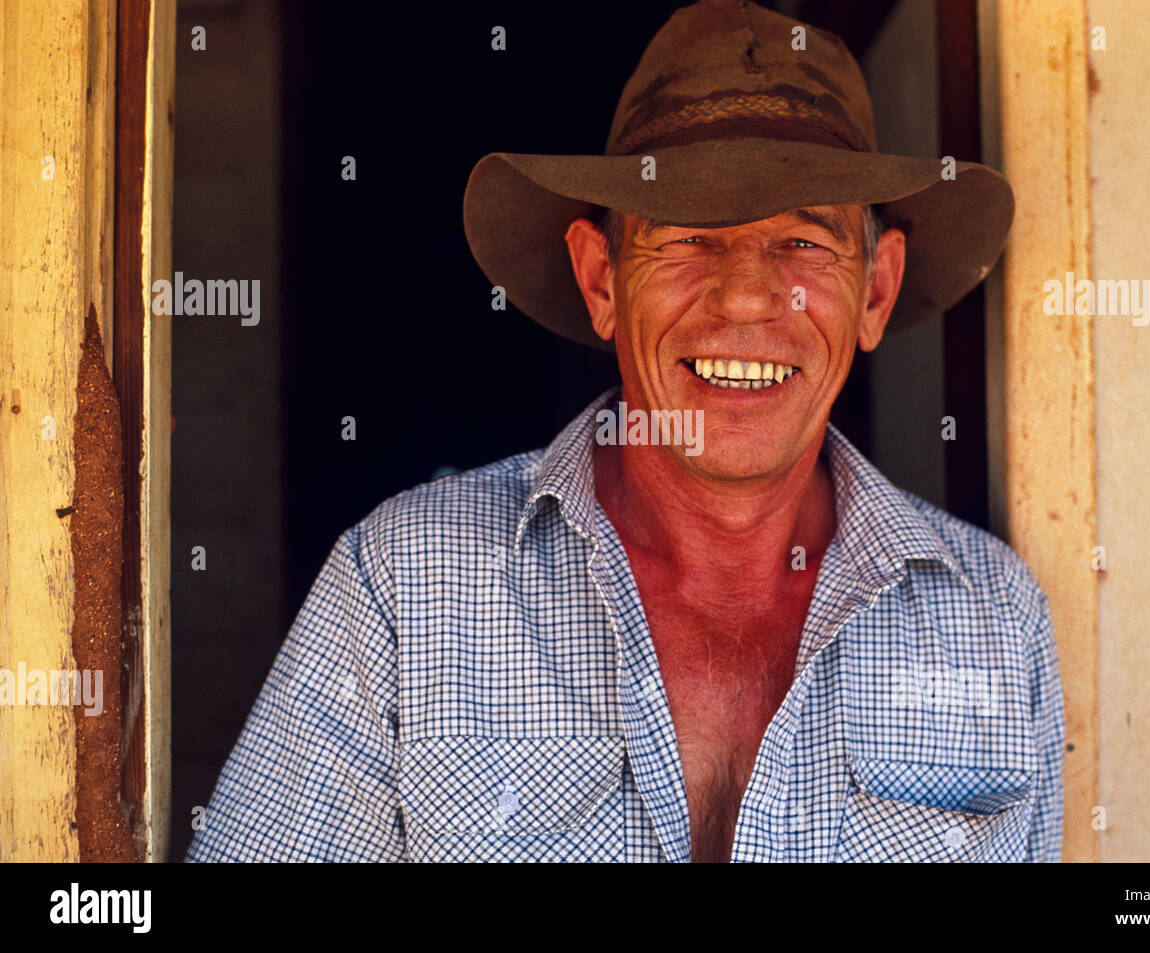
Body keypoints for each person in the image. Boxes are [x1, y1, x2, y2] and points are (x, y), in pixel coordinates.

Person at [188, 0, 1063, 863]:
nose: (749, 297)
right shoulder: (406, 588)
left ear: (875, 290)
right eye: (689, 237)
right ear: (601, 278)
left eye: (802, 241)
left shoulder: (994, 618)